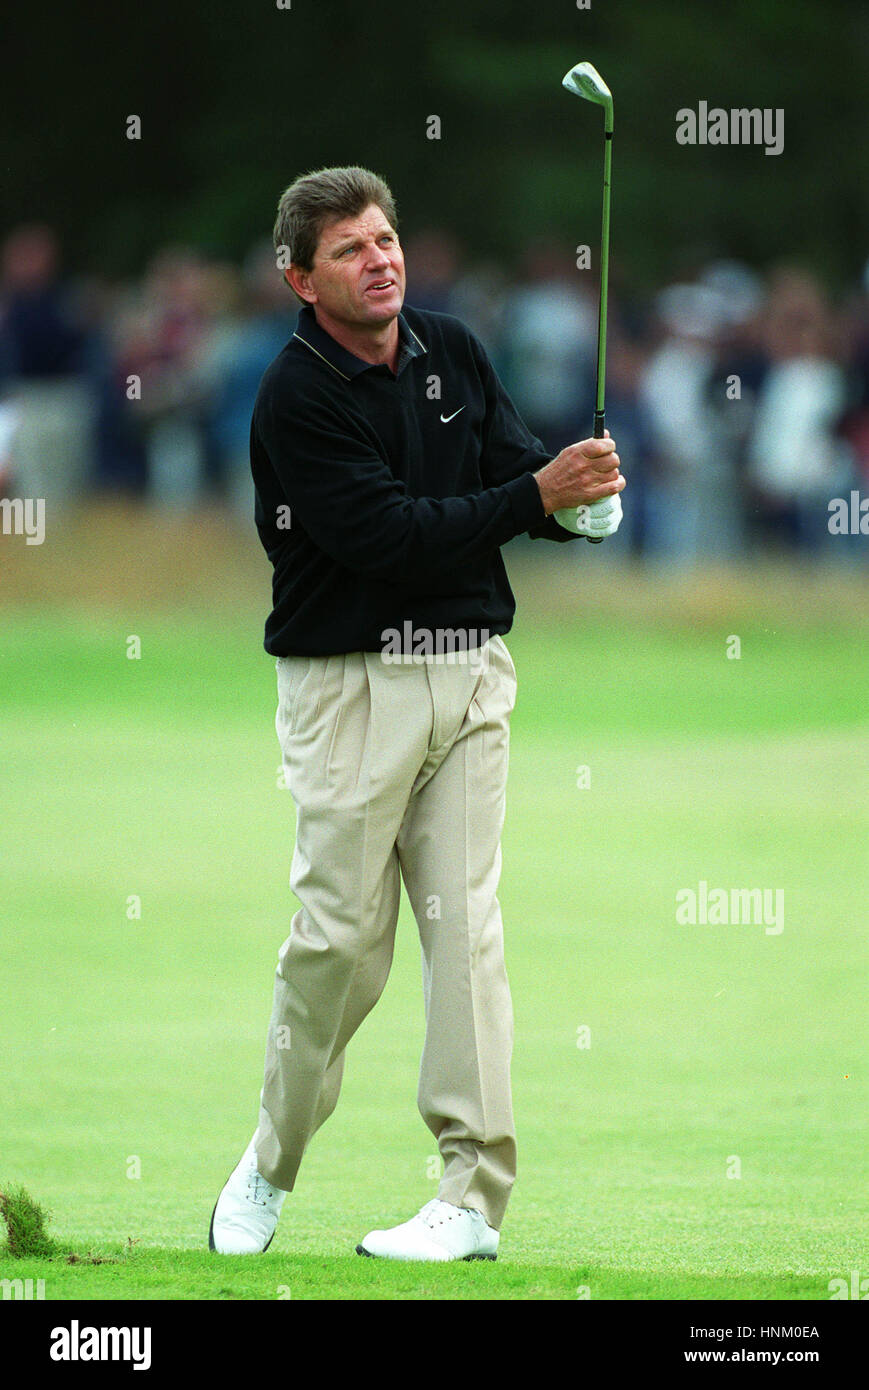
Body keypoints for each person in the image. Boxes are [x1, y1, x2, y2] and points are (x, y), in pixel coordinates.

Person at [209, 166, 625, 1262]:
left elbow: (502, 472)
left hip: (470, 676)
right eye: (348, 249)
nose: (378, 259)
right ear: (300, 280)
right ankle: (270, 1158)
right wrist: (537, 496)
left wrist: (574, 503)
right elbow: (390, 540)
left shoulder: (448, 347)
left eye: (385, 238)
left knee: (465, 933)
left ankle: (471, 1196)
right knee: (340, 948)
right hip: (349, 686)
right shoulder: (294, 395)